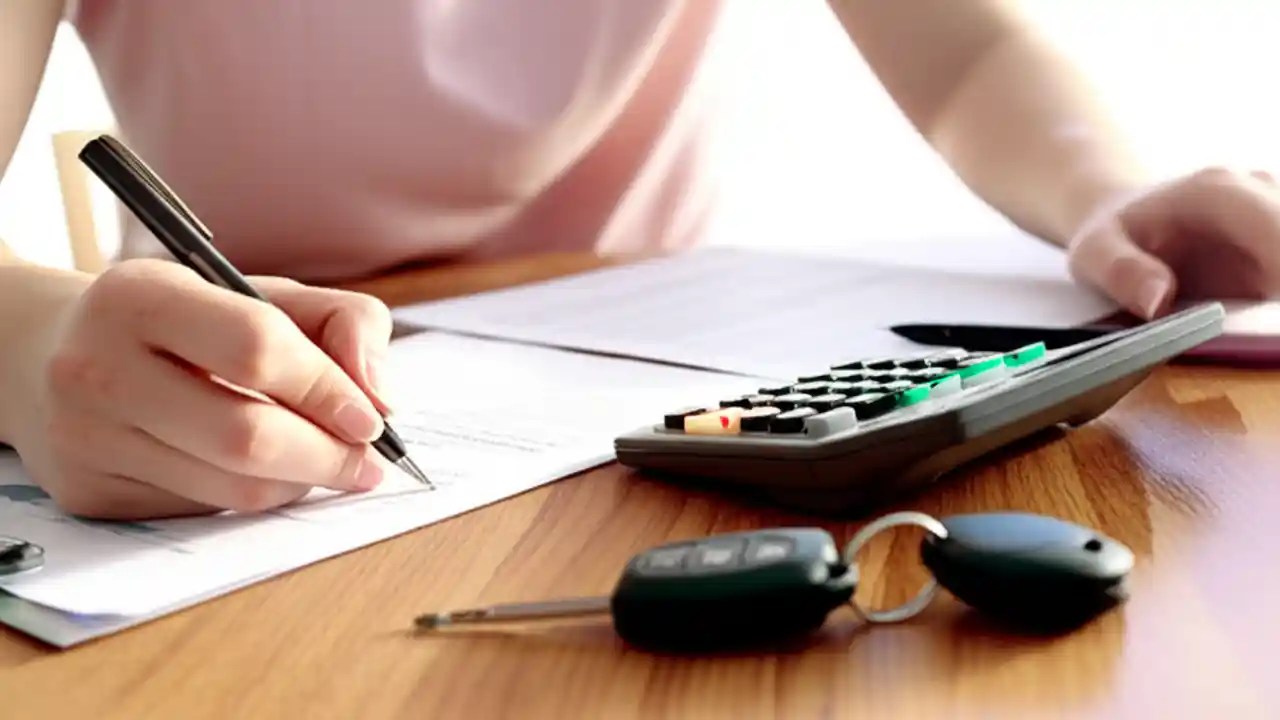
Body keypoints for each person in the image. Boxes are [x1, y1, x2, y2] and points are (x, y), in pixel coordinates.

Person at [0, 1, 1276, 520]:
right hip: (237, 413)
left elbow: (968, 51)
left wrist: (1108, 185)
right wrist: (29, 341)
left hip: (678, 425)